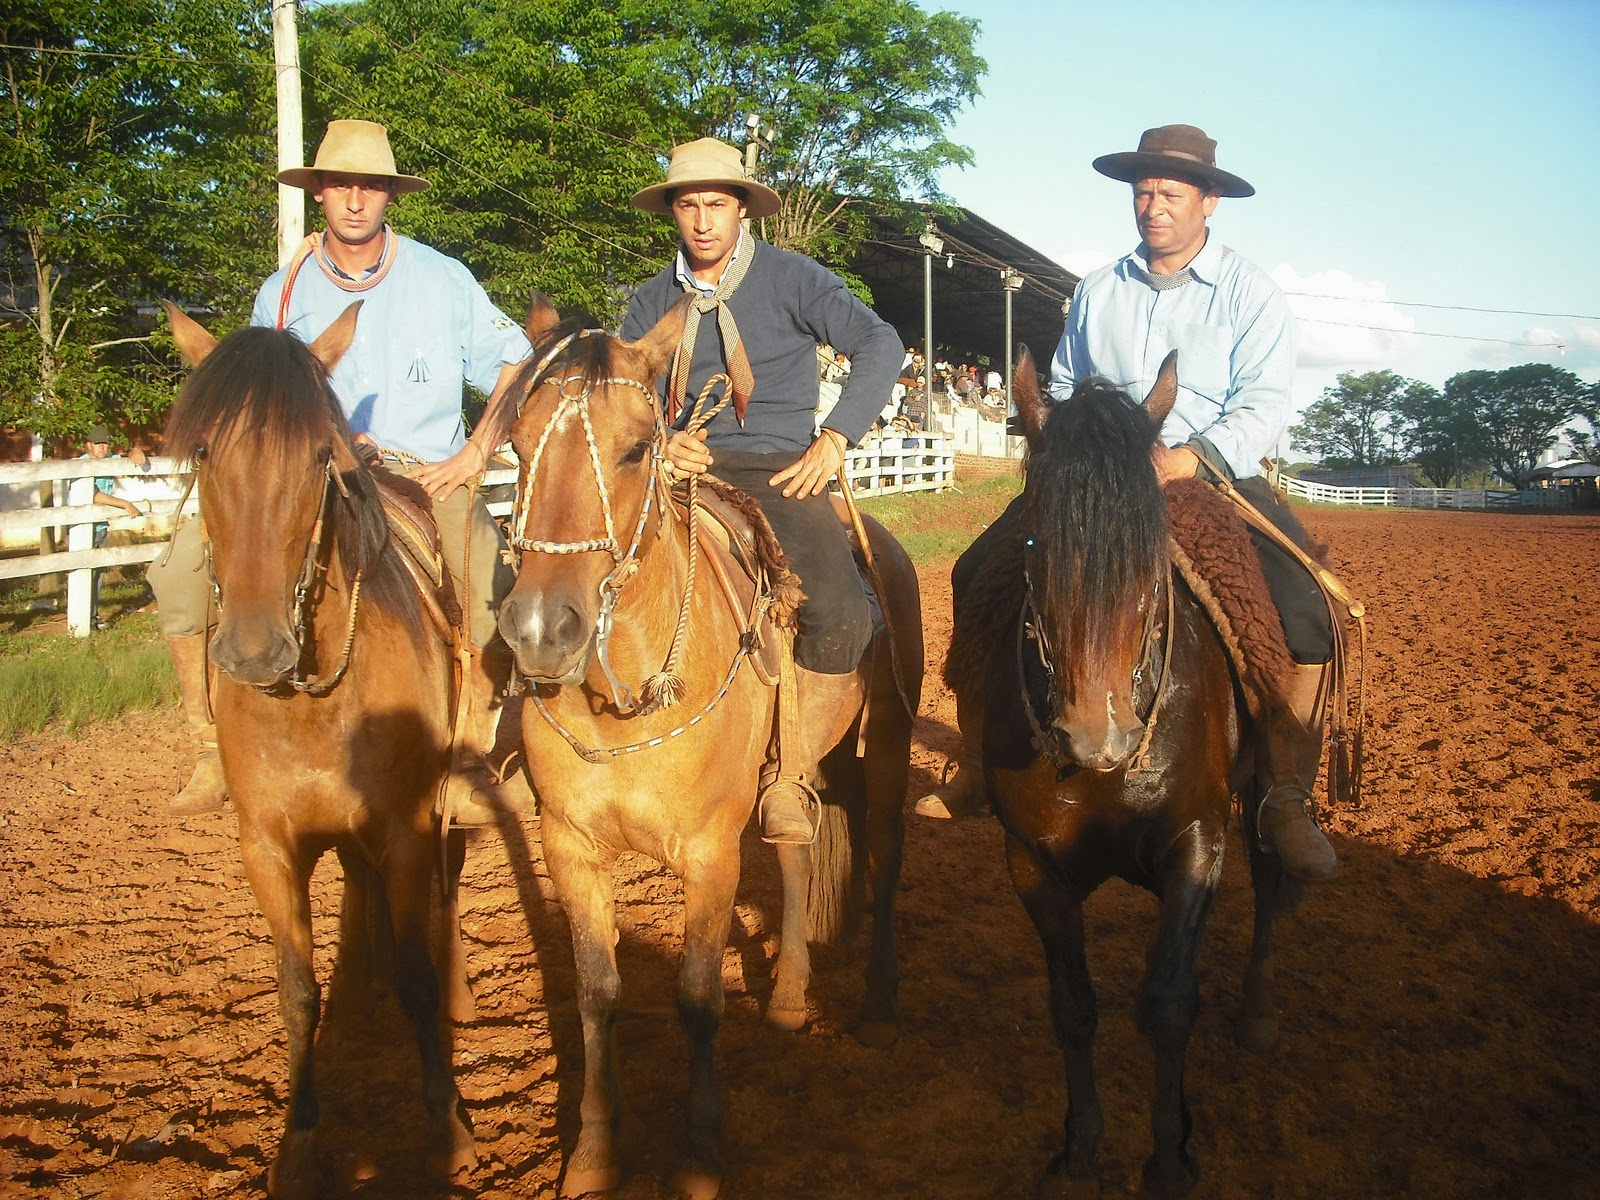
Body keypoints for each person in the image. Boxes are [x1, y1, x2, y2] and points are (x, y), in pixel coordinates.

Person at [918, 124, 1338, 884]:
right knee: (977, 570)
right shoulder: (1097, 289)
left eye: (1170, 193)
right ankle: (979, 763)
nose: (1154, 207)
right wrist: (1073, 443)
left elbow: (1263, 404)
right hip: (1096, 481)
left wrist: (1188, 457)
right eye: (1144, 193)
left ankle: (1284, 794)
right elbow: (1065, 382)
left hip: (1206, 475)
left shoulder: (1251, 294)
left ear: (1209, 202)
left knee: (1305, 606)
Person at [148, 119, 532, 819]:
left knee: (488, 579)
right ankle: (210, 745)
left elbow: (516, 359)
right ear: (319, 192)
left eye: (371, 187)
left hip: (423, 473)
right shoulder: (283, 290)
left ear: (390, 195)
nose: (355, 201)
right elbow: (259, 397)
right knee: (178, 571)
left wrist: (476, 451)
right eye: (340, 186)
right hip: (315, 472)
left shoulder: (444, 279)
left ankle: (469, 753)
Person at [621, 137, 903, 843]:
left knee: (839, 611)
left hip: (780, 471)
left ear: (741, 209)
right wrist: (662, 441)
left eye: (716, 204)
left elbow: (881, 345)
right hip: (682, 472)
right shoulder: (649, 301)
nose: (703, 221)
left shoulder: (794, 278)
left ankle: (791, 773)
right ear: (672, 212)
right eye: (689, 205)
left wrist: (835, 437)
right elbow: (627, 394)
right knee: (590, 576)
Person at [81, 425, 148, 629]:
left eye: (105, 444)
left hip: (101, 527)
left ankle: (92, 616)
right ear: (88, 445)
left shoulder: (109, 460)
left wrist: (135, 450)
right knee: (84, 573)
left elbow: (129, 457)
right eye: (97, 444)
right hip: (83, 529)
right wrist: (124, 504)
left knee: (98, 573)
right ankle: (83, 618)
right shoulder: (81, 464)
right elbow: (93, 495)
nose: (102, 447)